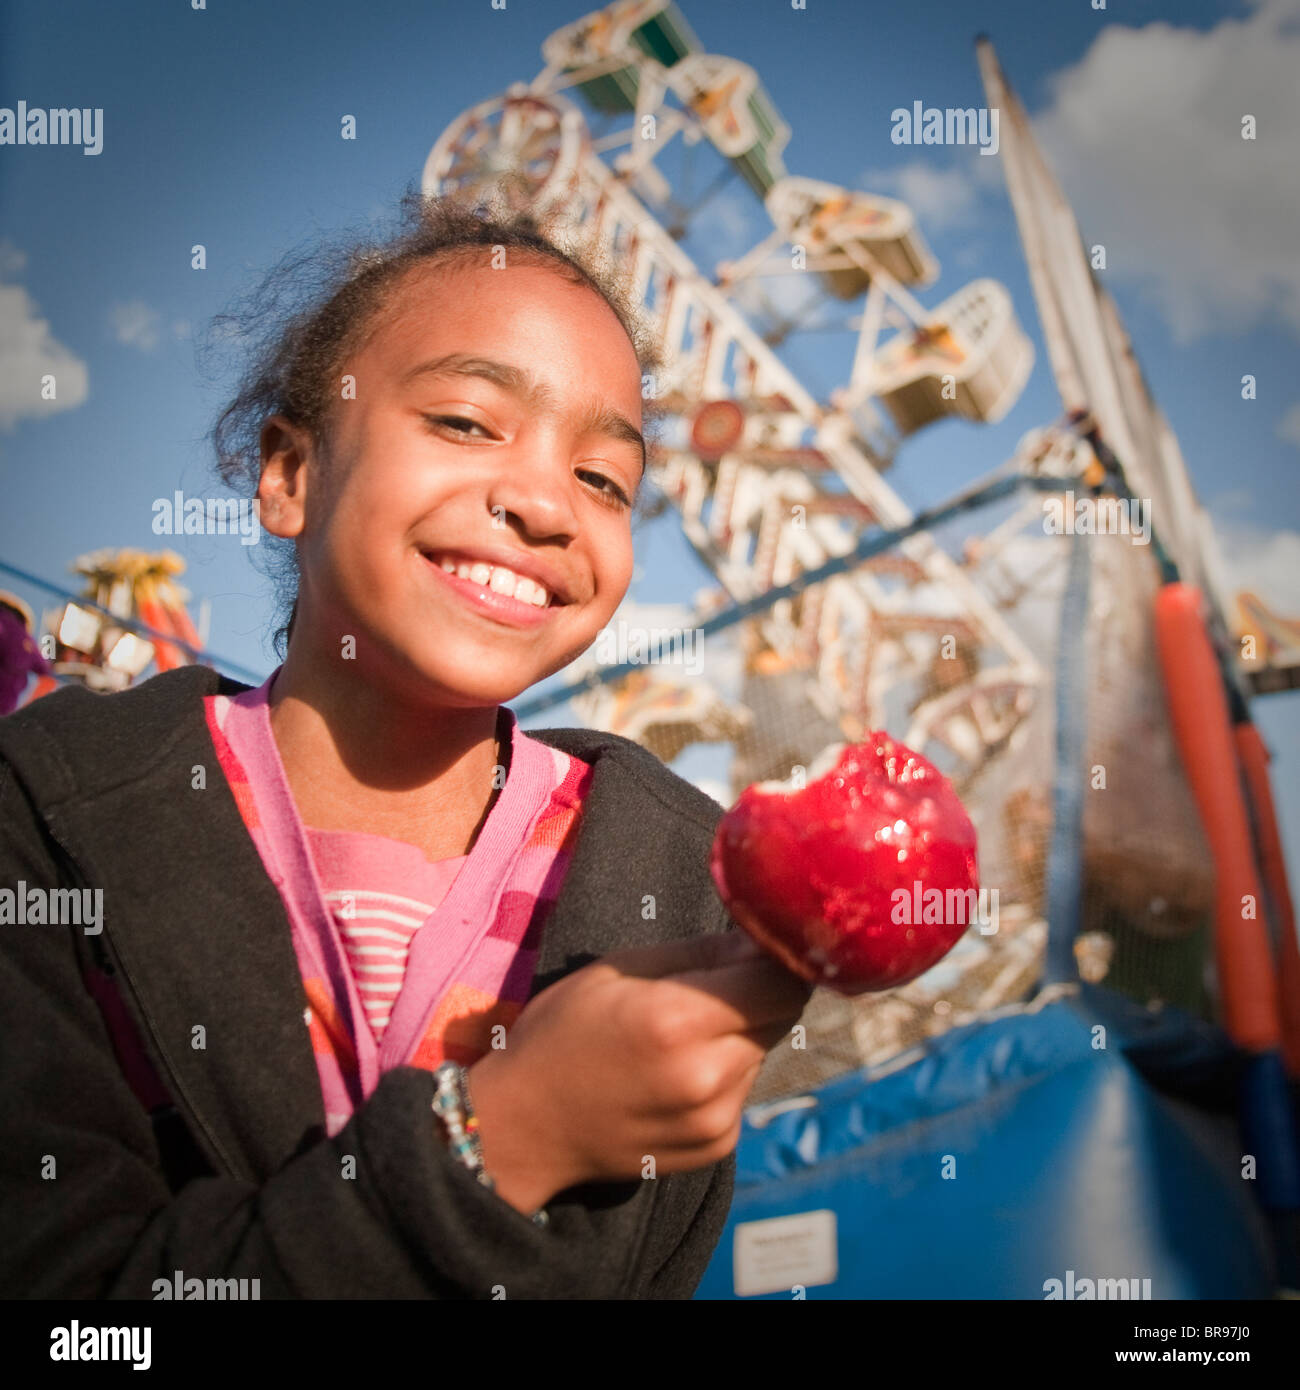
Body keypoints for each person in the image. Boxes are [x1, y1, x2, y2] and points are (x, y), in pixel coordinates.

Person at [0, 192, 811, 1300]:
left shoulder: (678, 881)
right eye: (468, 421)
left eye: (604, 479)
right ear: (287, 473)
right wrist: (508, 1141)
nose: (543, 502)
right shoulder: (52, 811)